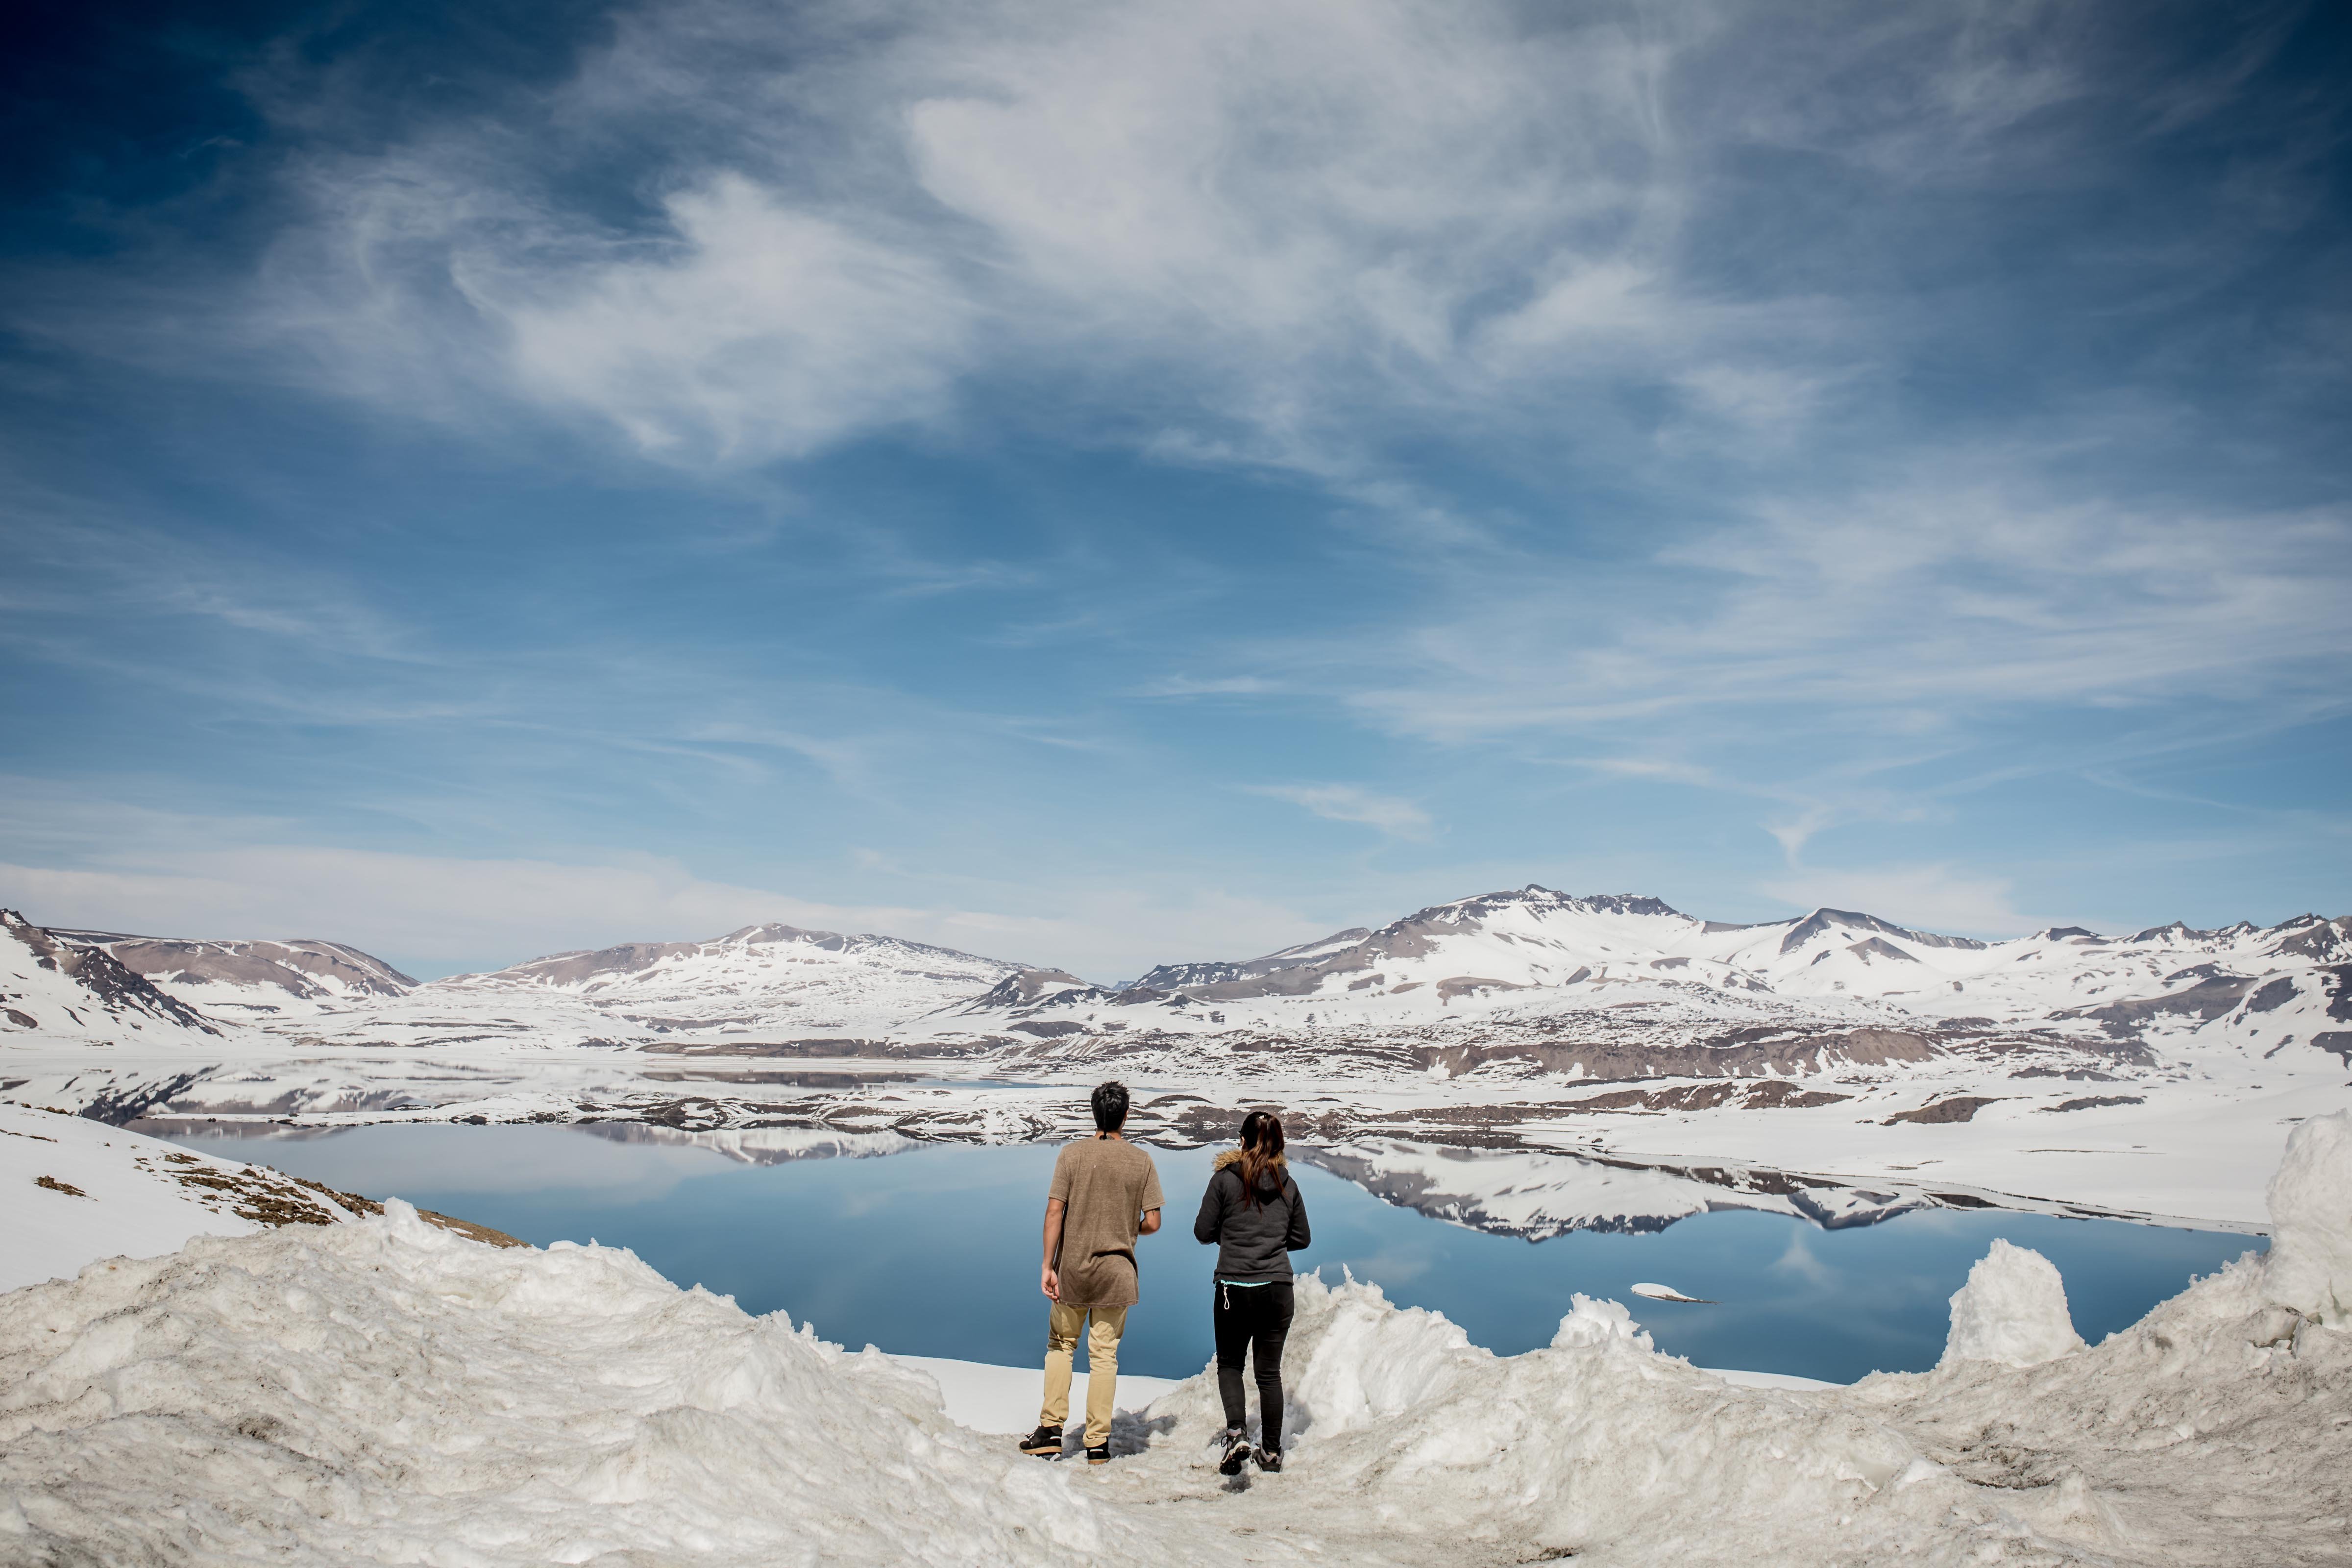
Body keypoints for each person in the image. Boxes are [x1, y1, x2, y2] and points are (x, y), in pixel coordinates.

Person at [1020, 1080, 1163, 1465]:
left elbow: (1055, 1212)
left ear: (1094, 1113)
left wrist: (1048, 1266)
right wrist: (1124, 1228)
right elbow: (1153, 1222)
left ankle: (1050, 1432)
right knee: (1104, 1356)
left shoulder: (1071, 1155)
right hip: (1118, 1273)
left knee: (1061, 1345)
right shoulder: (1142, 1161)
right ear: (1126, 1116)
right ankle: (1097, 1444)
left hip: (1074, 1271)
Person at [1193, 1109, 1310, 1475]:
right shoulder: (1288, 1184)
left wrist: (1230, 1236)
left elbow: (1202, 1231)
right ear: (1279, 1146)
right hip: (1278, 1289)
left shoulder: (1224, 1181)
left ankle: (1237, 1434)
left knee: (1230, 1364)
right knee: (1269, 1373)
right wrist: (1271, 1243)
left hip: (1234, 1288)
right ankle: (1272, 1453)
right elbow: (1302, 1239)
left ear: (1241, 1141)